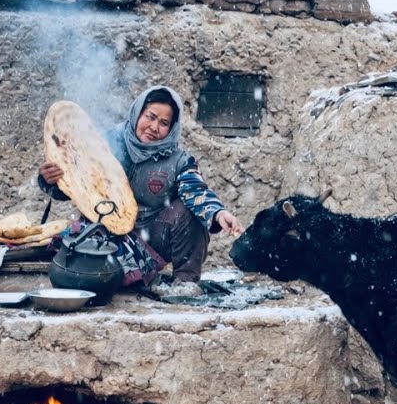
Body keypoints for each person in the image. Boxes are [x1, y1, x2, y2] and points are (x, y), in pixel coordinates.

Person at [38, 85, 244, 287]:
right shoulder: (103, 143)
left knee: (189, 211)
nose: (154, 127)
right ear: (137, 113)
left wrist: (217, 213)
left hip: (151, 241)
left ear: (172, 128)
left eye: (164, 123)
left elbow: (195, 190)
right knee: (88, 271)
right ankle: (110, 273)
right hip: (102, 235)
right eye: (150, 116)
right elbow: (77, 186)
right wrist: (50, 180)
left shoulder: (178, 160)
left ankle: (185, 284)